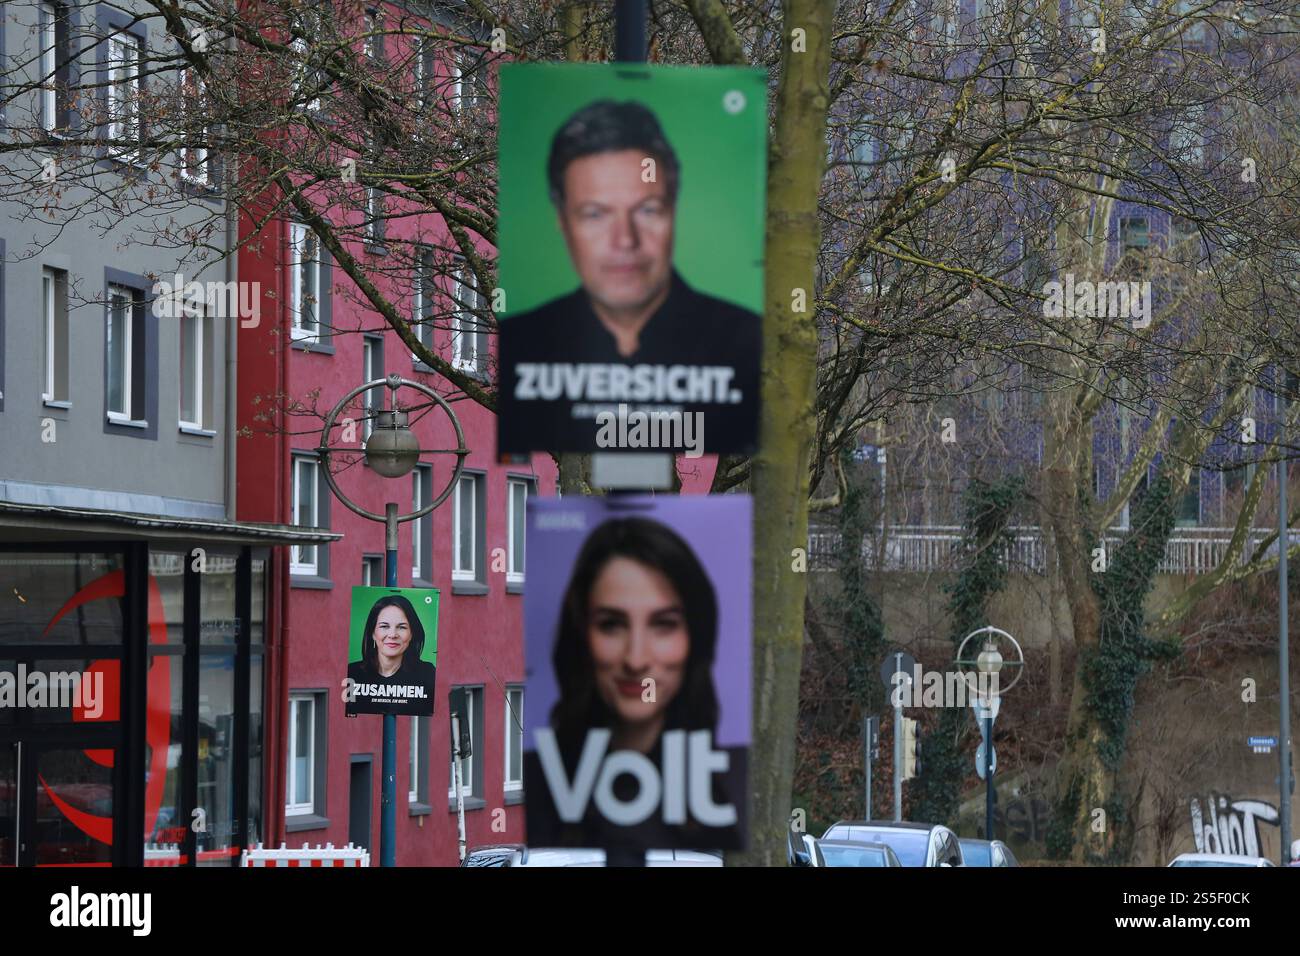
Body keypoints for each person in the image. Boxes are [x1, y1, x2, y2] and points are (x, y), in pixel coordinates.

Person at [498, 99, 762, 454]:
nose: (625, 240)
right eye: (596, 214)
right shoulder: (523, 340)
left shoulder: (742, 342)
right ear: (562, 222)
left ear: (673, 213)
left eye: (647, 210)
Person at [526, 516, 746, 851]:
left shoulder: (733, 781)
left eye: (663, 624)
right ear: (581, 633)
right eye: (612, 624)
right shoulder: (544, 784)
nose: (636, 659)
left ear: (696, 638)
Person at [347, 594, 436, 714]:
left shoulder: (427, 674)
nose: (393, 634)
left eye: (402, 627)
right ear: (373, 633)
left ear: (412, 634)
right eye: (384, 626)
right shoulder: (353, 673)